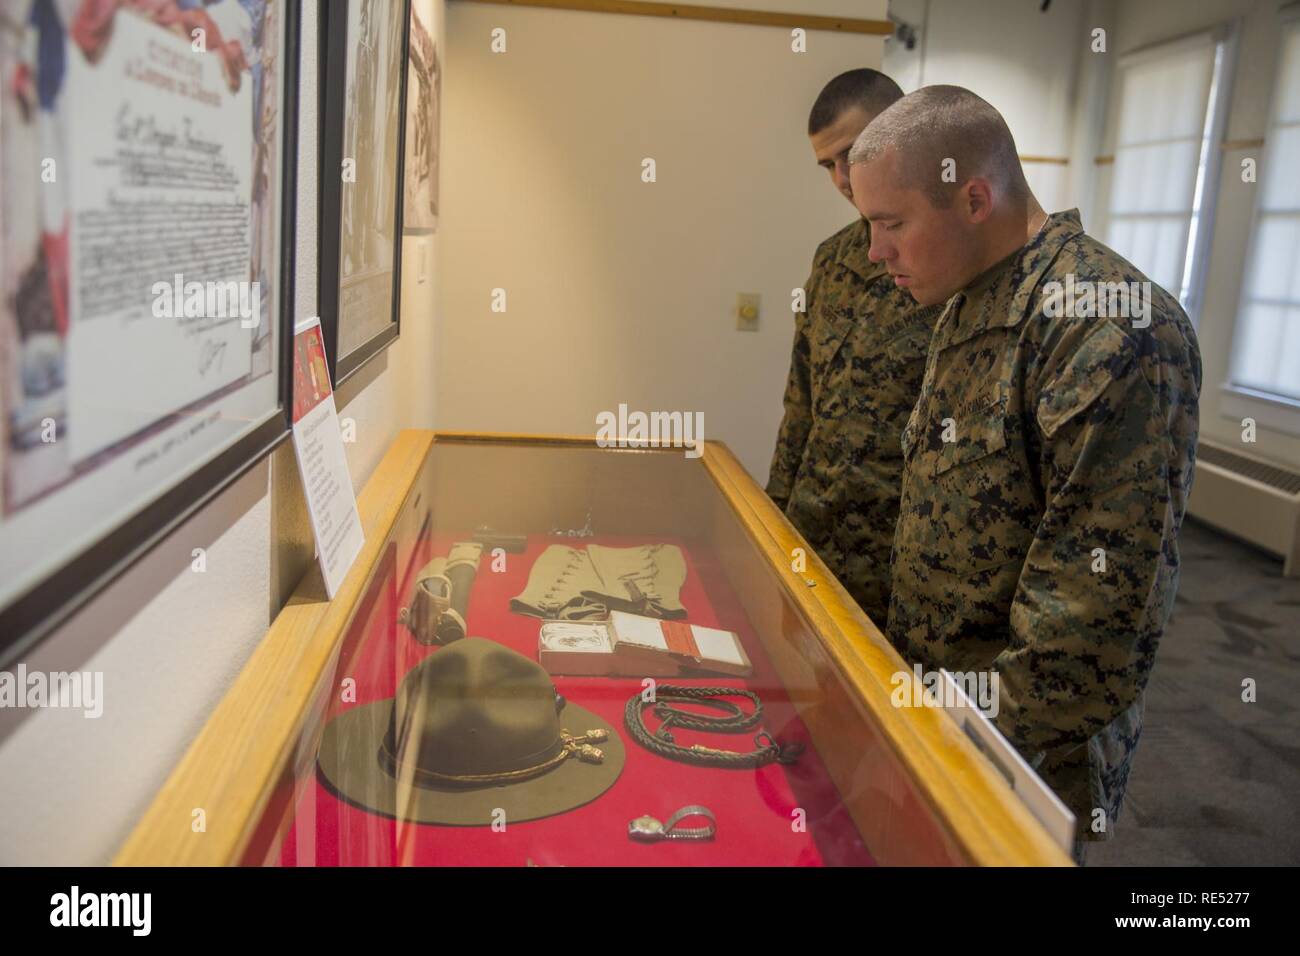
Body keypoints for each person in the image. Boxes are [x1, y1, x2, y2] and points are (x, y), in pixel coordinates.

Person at [848, 85, 1201, 864]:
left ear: (974, 198)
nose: (874, 253)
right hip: (939, 718)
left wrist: (956, 743)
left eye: (890, 223)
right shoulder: (972, 296)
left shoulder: (1110, 327)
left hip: (1021, 755)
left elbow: (1090, 614)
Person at [767, 69, 942, 627]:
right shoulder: (834, 259)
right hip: (815, 543)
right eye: (827, 166)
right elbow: (801, 405)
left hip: (904, 572)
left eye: (853, 153)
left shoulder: (947, 266)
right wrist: (773, 520)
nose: (843, 178)